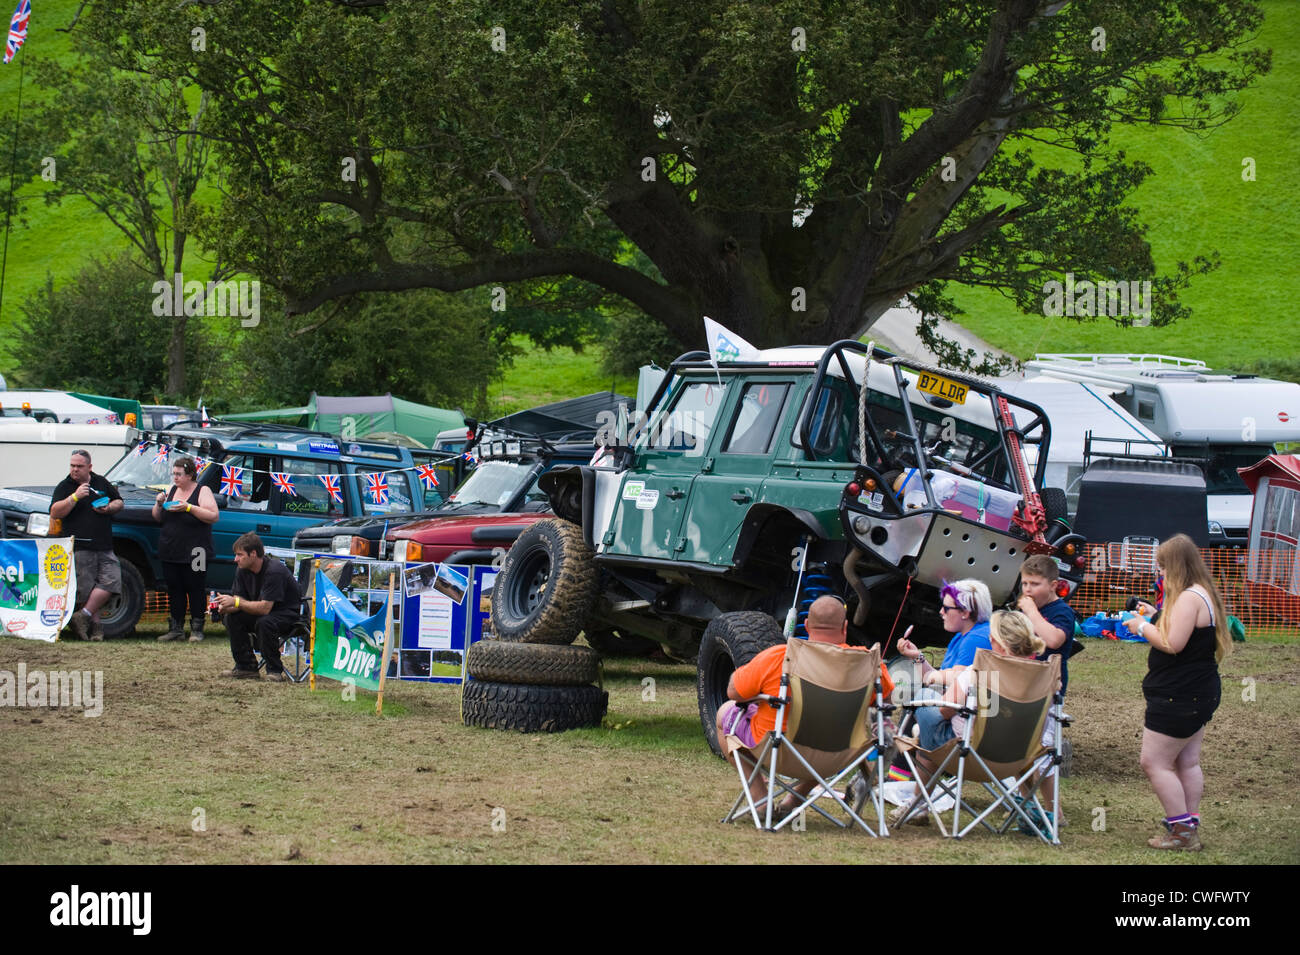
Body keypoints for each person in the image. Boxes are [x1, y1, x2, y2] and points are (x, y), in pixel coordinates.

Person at [716, 596, 893, 814]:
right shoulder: (868, 663)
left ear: (807, 625)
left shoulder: (780, 657)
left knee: (725, 712)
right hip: (838, 757)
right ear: (845, 627)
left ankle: (760, 797)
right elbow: (887, 704)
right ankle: (793, 802)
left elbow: (734, 692)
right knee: (828, 731)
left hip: (779, 752)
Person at [891, 610, 1049, 827]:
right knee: (933, 726)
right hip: (1020, 756)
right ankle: (1029, 807)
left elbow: (944, 711)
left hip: (972, 756)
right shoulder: (1043, 677)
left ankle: (919, 803)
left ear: (993, 640)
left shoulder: (978, 671)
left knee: (926, 702)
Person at [1124, 534, 1229, 852]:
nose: (1161, 575)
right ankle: (1188, 823)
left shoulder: (1187, 598)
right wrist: (1153, 616)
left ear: (1176, 567)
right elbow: (1178, 631)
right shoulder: (1202, 593)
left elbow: (1172, 643)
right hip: (1197, 691)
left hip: (1180, 695)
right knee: (1187, 761)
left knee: (1153, 762)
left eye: (1163, 569)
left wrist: (1140, 627)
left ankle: (1182, 830)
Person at [49, 450, 124, 641]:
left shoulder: (100, 482)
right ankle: (95, 629)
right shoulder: (65, 486)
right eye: (72, 465)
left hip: (104, 544)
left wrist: (109, 508)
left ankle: (82, 617)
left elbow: (119, 502)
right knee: (86, 590)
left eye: (79, 466)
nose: (75, 470)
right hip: (80, 546)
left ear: (89, 467)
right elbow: (55, 512)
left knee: (112, 581)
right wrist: (74, 497)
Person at [214, 532, 302, 681]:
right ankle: (245, 667)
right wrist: (224, 607)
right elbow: (239, 601)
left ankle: (274, 671)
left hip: (288, 615)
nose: (236, 559)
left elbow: (265, 608)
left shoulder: (274, 571)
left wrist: (235, 602)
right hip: (264, 614)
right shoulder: (242, 570)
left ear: (253, 554)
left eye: (240, 555)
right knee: (232, 618)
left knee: (265, 621)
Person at [152, 456, 219, 643]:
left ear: (190, 474)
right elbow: (157, 517)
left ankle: (197, 629)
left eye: (179, 474)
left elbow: (213, 515)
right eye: (173, 474)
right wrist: (158, 503)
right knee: (174, 589)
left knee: (196, 588)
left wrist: (189, 507)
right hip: (171, 549)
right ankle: (176, 629)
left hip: (197, 551)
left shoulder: (202, 490)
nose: (175, 478)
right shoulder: (171, 490)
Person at [896, 578, 993, 690]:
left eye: (946, 608)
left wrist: (935, 676)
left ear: (965, 613)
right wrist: (917, 656)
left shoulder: (977, 639)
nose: (941, 612)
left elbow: (959, 680)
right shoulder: (962, 636)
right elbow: (935, 678)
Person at [1015, 554, 1077, 696]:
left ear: (1053, 586)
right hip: (1024, 678)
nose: (1028, 590)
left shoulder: (1062, 611)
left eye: (1035, 584)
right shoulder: (1027, 609)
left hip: (1048, 685)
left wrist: (1031, 612)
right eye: (1025, 583)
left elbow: (1054, 640)